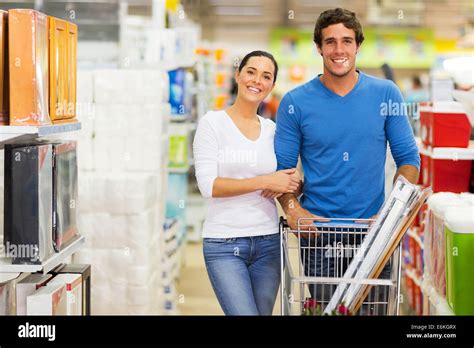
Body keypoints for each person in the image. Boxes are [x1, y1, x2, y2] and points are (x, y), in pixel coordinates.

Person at [275, 8, 420, 312]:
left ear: (358, 46)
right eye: (330, 42)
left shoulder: (386, 95)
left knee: (374, 308)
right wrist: (292, 207)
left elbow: (408, 159)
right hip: (318, 234)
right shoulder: (295, 102)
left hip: (372, 232)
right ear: (319, 47)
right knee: (326, 309)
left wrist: (393, 210)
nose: (338, 50)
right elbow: (283, 172)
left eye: (346, 41)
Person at [193, 50, 301, 315]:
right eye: (251, 72)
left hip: (267, 243)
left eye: (266, 76)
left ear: (272, 86)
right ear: (238, 75)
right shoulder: (212, 124)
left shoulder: (272, 131)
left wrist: (294, 181)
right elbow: (209, 186)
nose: (257, 81)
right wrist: (264, 180)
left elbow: (285, 180)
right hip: (224, 245)